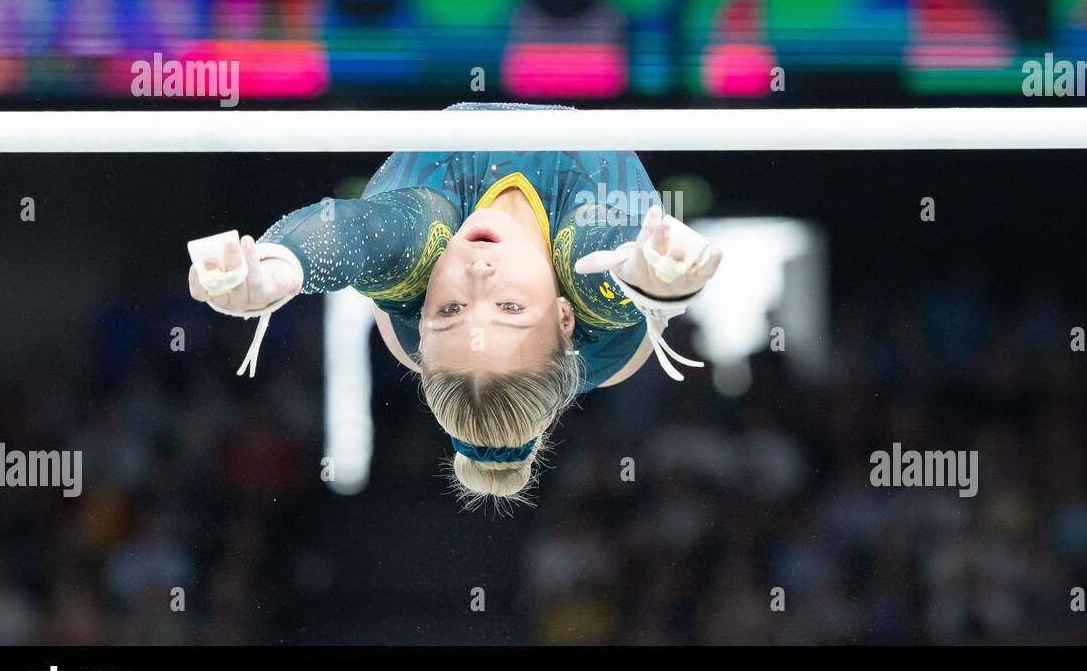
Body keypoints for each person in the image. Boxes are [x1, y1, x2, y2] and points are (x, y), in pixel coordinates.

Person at [187, 103, 722, 505]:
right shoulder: (588, 280)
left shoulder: (418, 247)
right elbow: (615, 276)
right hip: (605, 323)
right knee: (600, 271)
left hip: (424, 277)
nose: (479, 276)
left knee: (415, 240)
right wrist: (649, 280)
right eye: (510, 308)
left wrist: (279, 269)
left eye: (449, 311)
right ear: (564, 318)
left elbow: (354, 235)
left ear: (422, 318)